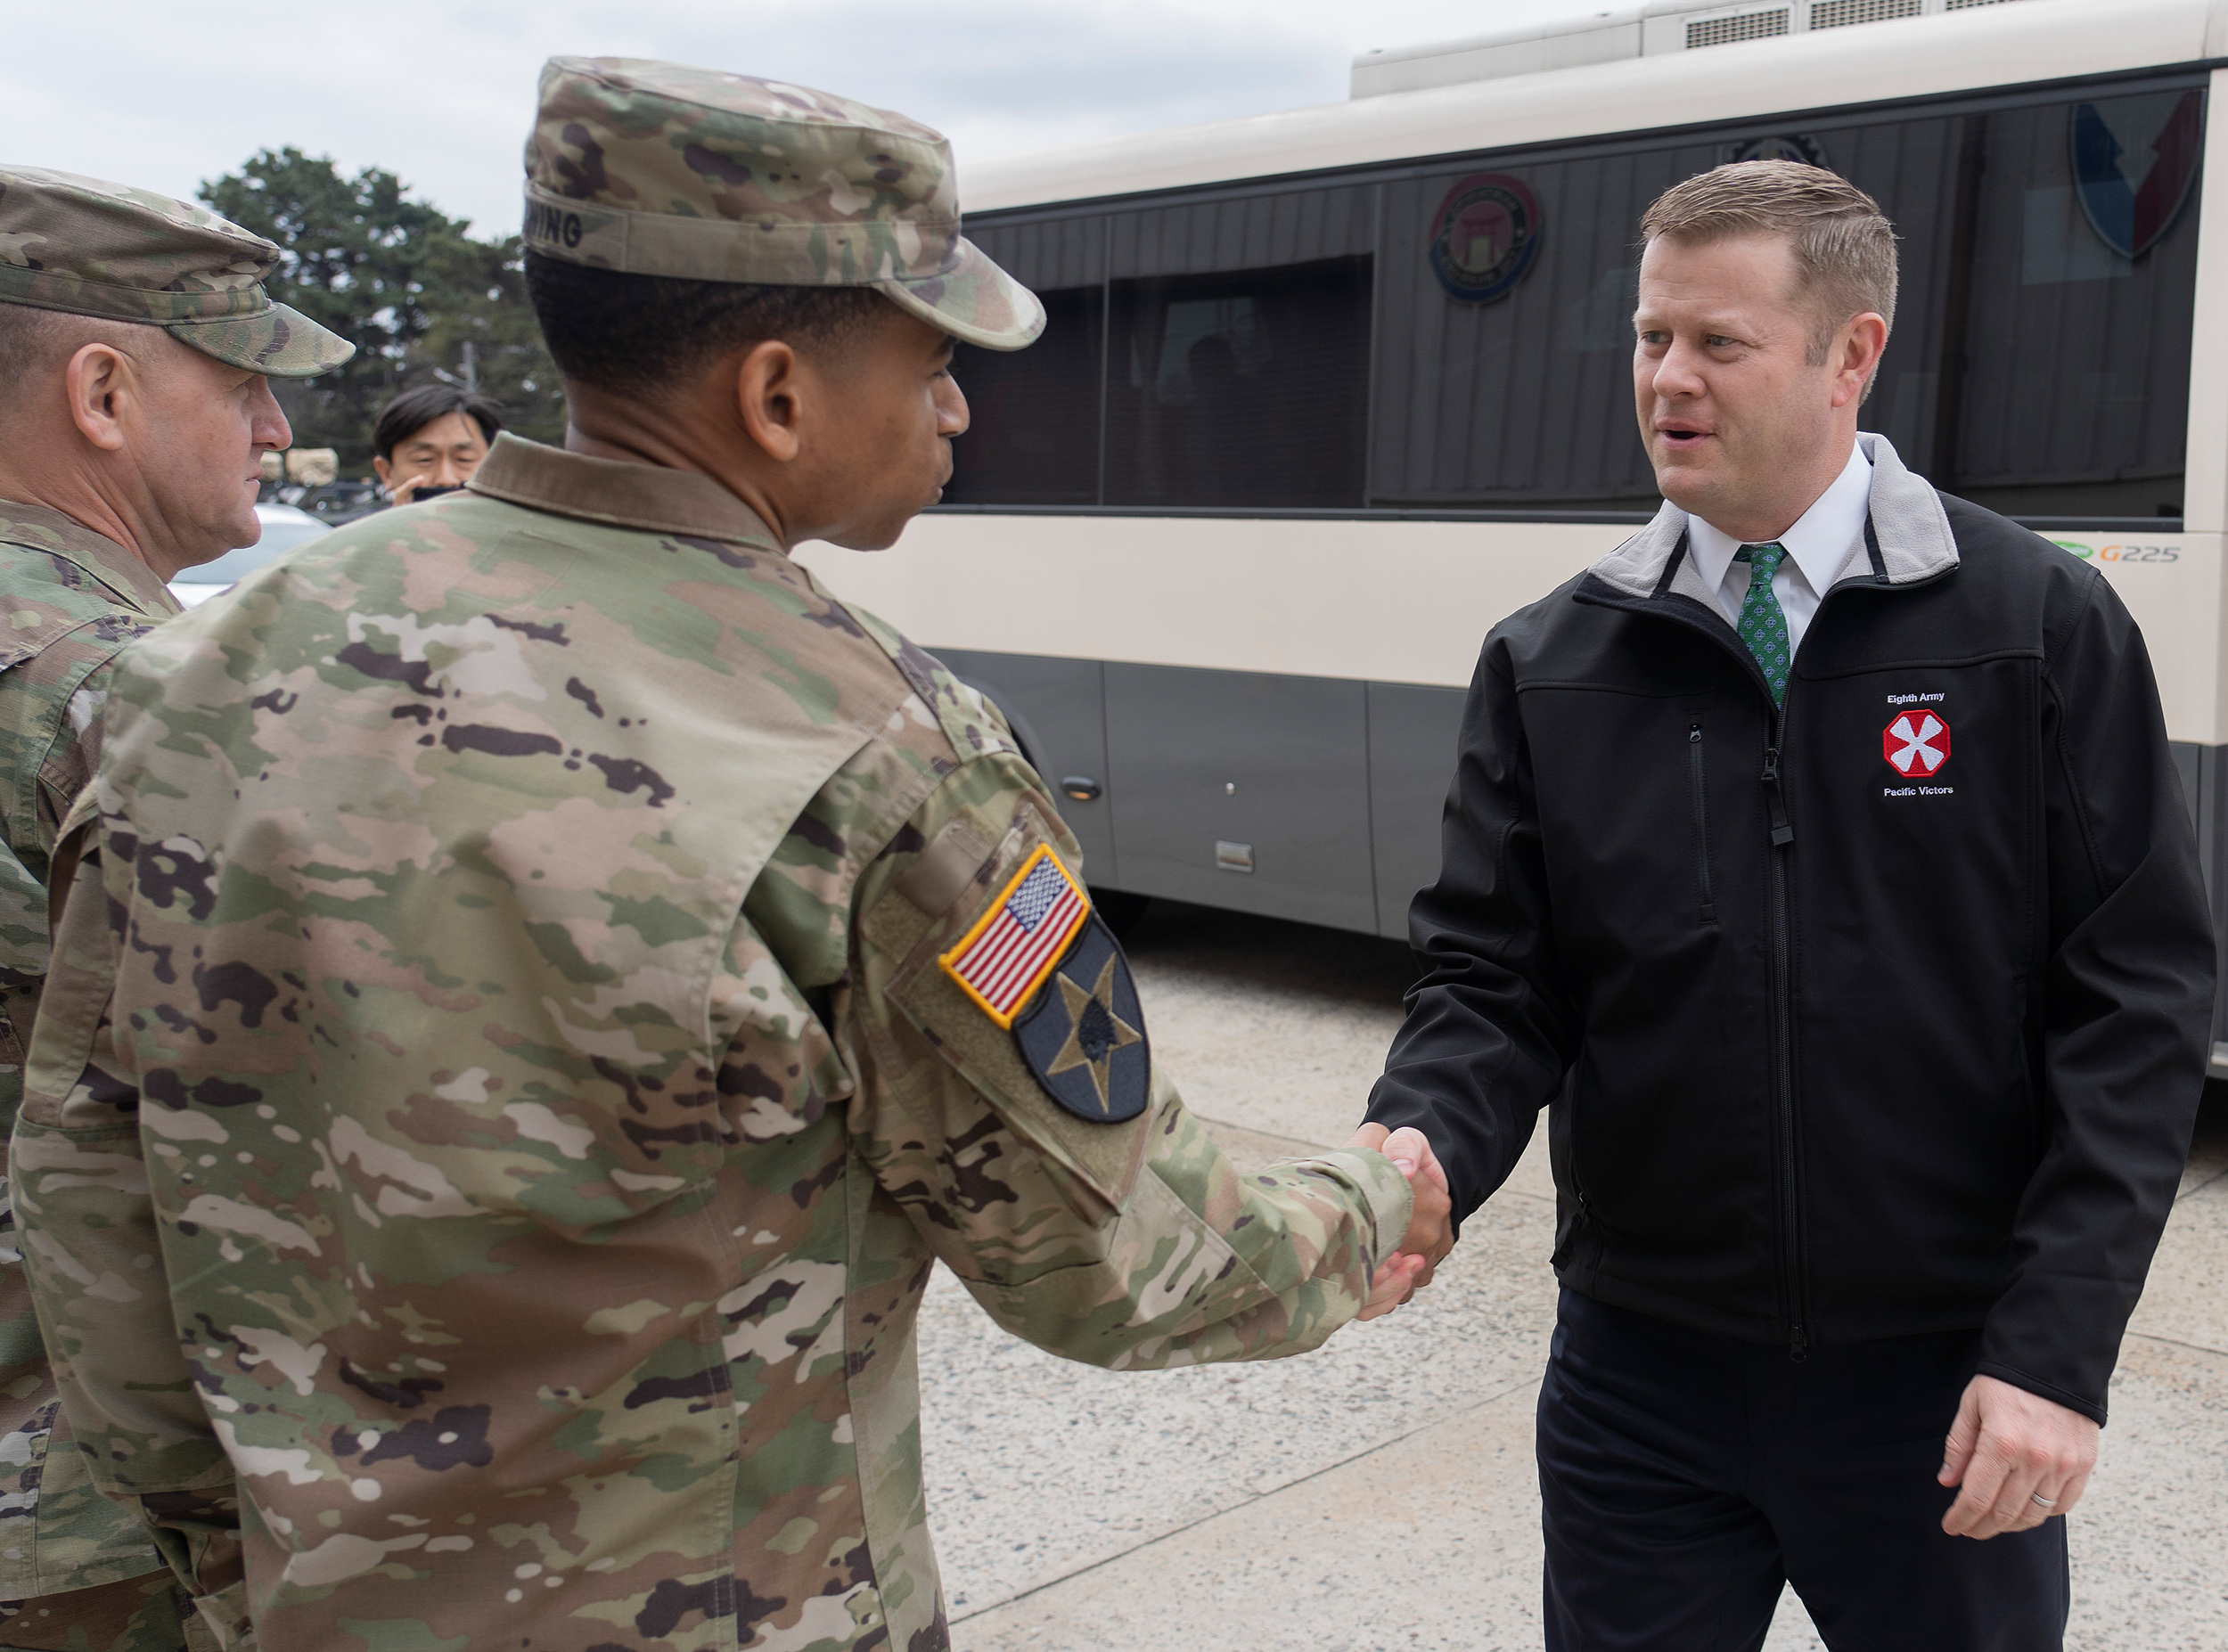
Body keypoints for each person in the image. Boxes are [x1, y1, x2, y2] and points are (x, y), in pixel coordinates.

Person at [9, 61, 1451, 1652]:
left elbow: (89, 1199)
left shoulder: (190, 674)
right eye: (935, 358)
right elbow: (1119, 1256)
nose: (960, 405)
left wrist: (238, 1569)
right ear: (777, 394)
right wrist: (1367, 1202)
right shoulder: (882, 745)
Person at [1359, 160, 2212, 1651]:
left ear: (1850, 355)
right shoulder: (1556, 655)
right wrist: (1424, 1135)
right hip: (1640, 1379)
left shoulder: (2032, 626)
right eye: (1648, 338)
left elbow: (2133, 1003)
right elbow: (1496, 979)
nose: (1668, 379)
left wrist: (2056, 1349)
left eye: (1719, 343)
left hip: (1945, 1391)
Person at [0, 167, 352, 1652]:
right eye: (246, 379)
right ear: (102, 390)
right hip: (88, 1524)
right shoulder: (130, 700)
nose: (276, 428)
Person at [369, 383, 501, 504]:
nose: (446, 479)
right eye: (424, 459)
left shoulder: (518, 526)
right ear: (386, 472)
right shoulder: (359, 530)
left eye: (464, 459)